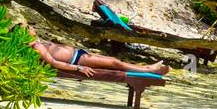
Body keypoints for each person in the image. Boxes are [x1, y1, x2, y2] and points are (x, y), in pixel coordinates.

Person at [19, 24, 169, 78]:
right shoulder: (35, 47)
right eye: (28, 27)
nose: (32, 27)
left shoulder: (36, 43)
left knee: (113, 60)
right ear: (24, 33)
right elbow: (54, 62)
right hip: (77, 60)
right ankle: (150, 70)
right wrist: (79, 68)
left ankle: (146, 68)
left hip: (79, 54)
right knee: (114, 62)